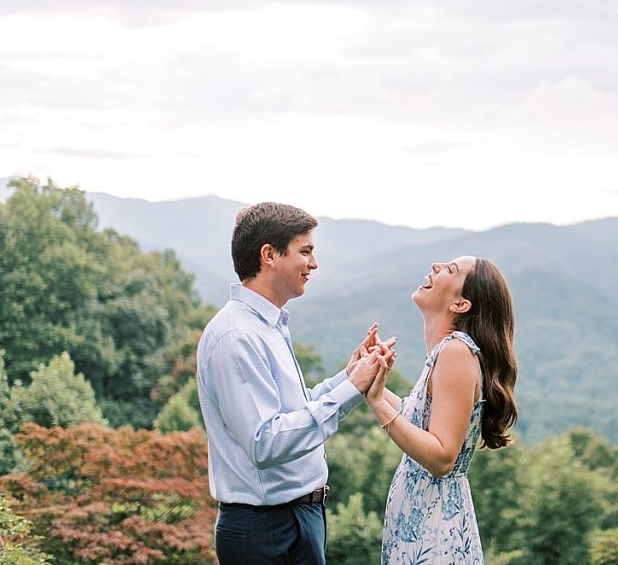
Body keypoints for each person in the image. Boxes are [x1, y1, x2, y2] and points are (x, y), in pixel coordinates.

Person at [196, 202, 394, 565]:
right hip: (264, 530)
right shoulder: (236, 336)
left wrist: (349, 377)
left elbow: (295, 411)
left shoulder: (268, 327)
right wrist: (351, 390)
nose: (314, 264)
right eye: (305, 251)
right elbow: (266, 442)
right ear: (269, 255)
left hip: (296, 519)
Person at [364, 256, 518, 564]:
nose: (436, 266)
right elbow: (415, 417)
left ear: (461, 304)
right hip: (421, 526)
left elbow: (442, 457)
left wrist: (378, 404)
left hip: (435, 534)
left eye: (450, 270)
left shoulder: (456, 353)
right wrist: (370, 384)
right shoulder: (445, 352)